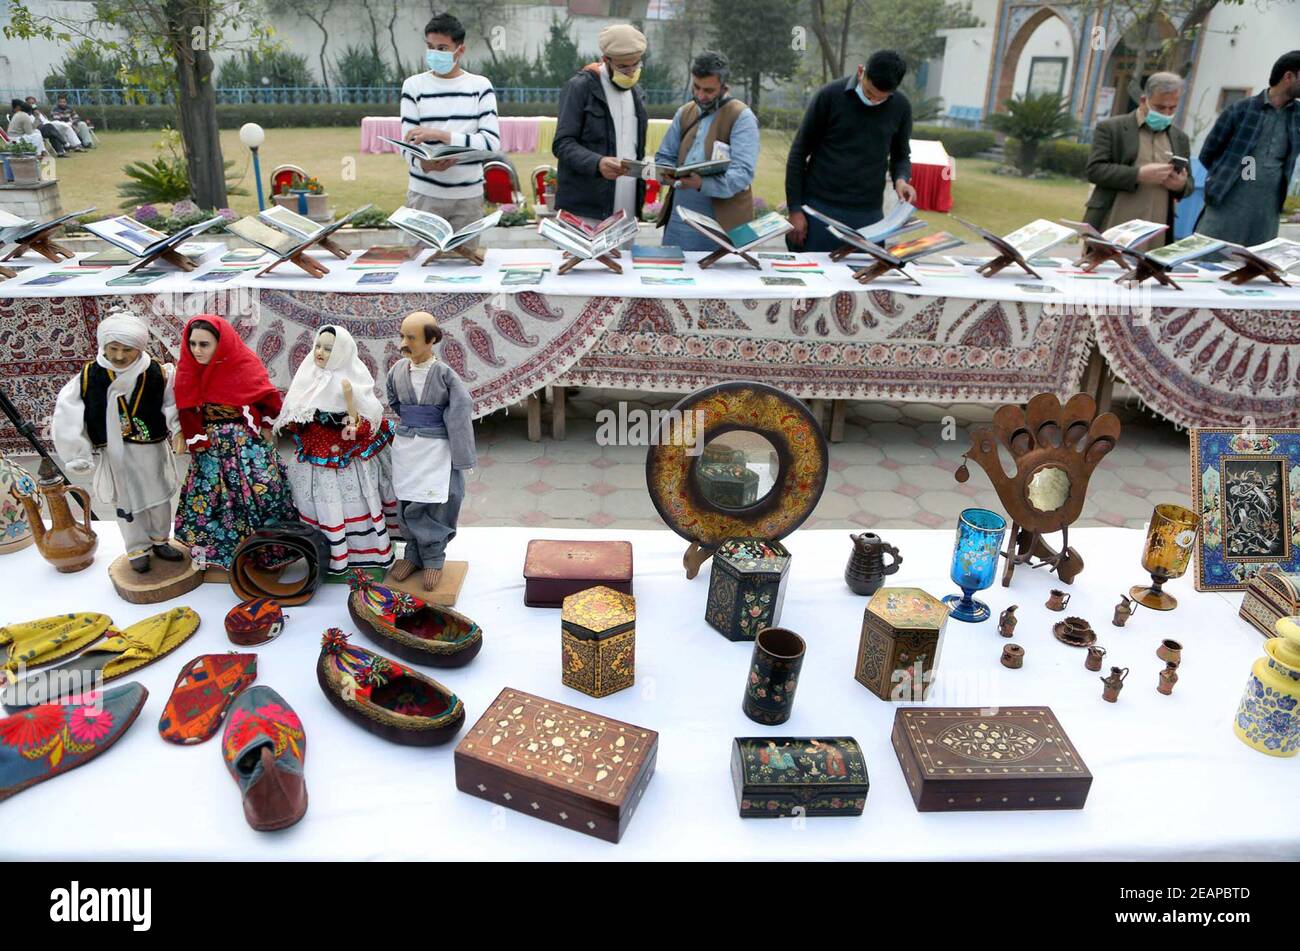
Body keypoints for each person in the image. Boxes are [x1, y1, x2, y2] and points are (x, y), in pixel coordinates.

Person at [52, 309, 181, 573]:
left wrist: (178, 430)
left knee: (158, 498)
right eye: (113, 348)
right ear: (104, 345)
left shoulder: (158, 372)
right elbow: (68, 414)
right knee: (126, 501)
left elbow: (172, 404)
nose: (119, 356)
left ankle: (160, 540)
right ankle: (136, 549)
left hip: (151, 450)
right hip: (115, 455)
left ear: (139, 347)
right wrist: (76, 452)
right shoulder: (88, 377)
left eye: (127, 349)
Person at [172, 314, 298, 571]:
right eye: (192, 344)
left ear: (222, 343)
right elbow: (185, 408)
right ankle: (222, 556)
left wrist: (266, 426)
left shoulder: (243, 364)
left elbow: (268, 399)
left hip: (245, 445)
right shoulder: (188, 370)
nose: (196, 350)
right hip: (210, 449)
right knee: (212, 499)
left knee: (262, 492)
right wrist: (190, 437)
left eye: (204, 344)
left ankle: (267, 555)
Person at [273, 326, 397, 576]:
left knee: (353, 505)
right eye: (318, 346)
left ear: (342, 351)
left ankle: (361, 553)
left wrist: (350, 411)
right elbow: (295, 415)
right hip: (316, 455)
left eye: (328, 348)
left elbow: (366, 422)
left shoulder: (353, 379)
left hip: (346, 458)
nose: (320, 352)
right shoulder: (308, 375)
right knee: (324, 505)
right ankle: (329, 552)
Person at [785, 50, 916, 251]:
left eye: (881, 98)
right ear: (861, 71)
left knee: (862, 276)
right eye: (870, 93)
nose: (873, 101)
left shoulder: (900, 106)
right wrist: (795, 209)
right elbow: (798, 153)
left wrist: (901, 179)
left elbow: (901, 155)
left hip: (868, 214)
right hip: (820, 208)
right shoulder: (829, 96)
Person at [386, 311, 476, 592]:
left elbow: (460, 410)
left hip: (437, 445)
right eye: (402, 336)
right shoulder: (397, 371)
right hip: (407, 443)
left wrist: (461, 454)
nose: (404, 343)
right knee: (407, 495)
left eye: (411, 337)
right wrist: (413, 422)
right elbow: (394, 401)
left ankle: (434, 556)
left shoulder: (444, 375)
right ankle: (412, 552)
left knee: (439, 498)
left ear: (431, 339)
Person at [399, 12, 500, 247]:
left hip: (468, 199)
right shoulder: (413, 86)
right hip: (423, 196)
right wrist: (422, 164)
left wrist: (438, 135)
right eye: (430, 47)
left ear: (460, 50)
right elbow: (407, 143)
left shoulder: (480, 86)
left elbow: (490, 144)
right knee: (416, 271)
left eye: (442, 48)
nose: (434, 54)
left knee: (465, 271)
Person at [654, 50, 759, 251]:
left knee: (719, 276)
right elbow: (665, 155)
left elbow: (743, 173)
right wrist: (666, 172)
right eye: (696, 88)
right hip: (681, 212)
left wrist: (702, 183)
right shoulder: (685, 112)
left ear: (724, 87)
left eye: (709, 91)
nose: (701, 96)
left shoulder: (742, 117)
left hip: (724, 217)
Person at [1197, 50, 1300, 246]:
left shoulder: (1297, 116)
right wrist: (1246, 173)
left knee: (1254, 267)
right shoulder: (1242, 109)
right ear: (1288, 76)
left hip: (1268, 207)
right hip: (1228, 200)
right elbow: (1208, 153)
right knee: (1210, 258)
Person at [553, 24, 649, 224]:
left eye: (636, 65)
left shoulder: (637, 93)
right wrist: (597, 163)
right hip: (586, 208)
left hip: (628, 207)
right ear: (606, 60)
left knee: (623, 257)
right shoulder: (580, 87)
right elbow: (562, 143)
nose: (631, 72)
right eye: (623, 67)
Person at [1082, 72, 1193, 242]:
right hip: (1114, 221)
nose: (1166, 113)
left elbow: (1189, 184)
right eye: (1160, 107)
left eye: (1172, 108)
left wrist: (1180, 185)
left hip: (1157, 228)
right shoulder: (1112, 128)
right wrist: (1138, 174)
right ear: (1143, 101)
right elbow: (1095, 171)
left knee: (1150, 268)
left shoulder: (1180, 138)